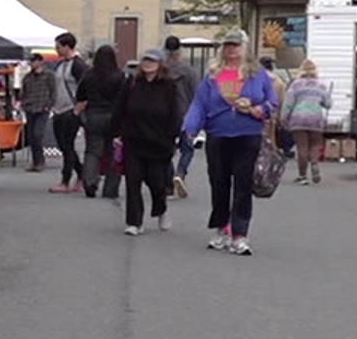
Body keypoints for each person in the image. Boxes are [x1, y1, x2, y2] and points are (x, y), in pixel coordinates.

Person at [183, 32, 276, 256]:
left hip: (247, 133)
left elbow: (272, 103)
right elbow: (199, 104)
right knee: (219, 182)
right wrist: (190, 128)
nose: (231, 50)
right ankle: (221, 228)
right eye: (228, 46)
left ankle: (240, 234)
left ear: (244, 48)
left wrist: (257, 110)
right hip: (218, 133)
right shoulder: (212, 77)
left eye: (236, 46)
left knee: (243, 185)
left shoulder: (258, 75)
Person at [115, 49, 185, 235]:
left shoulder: (169, 86)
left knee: (156, 183)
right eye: (145, 60)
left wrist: (172, 139)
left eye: (152, 61)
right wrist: (116, 134)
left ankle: (161, 209)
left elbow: (175, 114)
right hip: (134, 141)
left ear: (161, 64)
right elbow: (120, 109)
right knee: (133, 182)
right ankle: (134, 222)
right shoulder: (132, 83)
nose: (148, 64)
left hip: (158, 143)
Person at [75, 44, 126, 201]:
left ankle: (89, 182)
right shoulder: (119, 75)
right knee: (113, 152)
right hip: (113, 115)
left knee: (92, 151)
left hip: (93, 114)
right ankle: (110, 188)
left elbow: (80, 95)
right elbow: (124, 98)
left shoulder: (89, 75)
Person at [280, 58, 334, 185]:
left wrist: (283, 117)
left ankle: (302, 176)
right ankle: (314, 163)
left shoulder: (296, 85)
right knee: (315, 144)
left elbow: (288, 103)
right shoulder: (321, 85)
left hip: (298, 118)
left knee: (301, 147)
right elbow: (328, 104)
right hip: (315, 118)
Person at [48, 32, 89, 193]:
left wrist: (80, 107)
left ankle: (65, 180)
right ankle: (81, 174)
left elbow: (86, 87)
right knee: (63, 145)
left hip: (72, 110)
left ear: (67, 46)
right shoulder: (60, 65)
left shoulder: (79, 65)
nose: (56, 50)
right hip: (59, 109)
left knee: (67, 144)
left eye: (58, 46)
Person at [161, 36, 200, 197]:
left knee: (165, 151)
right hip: (186, 114)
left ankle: (168, 184)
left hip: (165, 115)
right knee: (187, 149)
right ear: (179, 51)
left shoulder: (161, 71)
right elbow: (197, 96)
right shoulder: (190, 72)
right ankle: (180, 173)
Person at [19, 52, 56, 172]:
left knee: (37, 134)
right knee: (31, 136)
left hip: (42, 108)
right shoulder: (27, 77)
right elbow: (23, 92)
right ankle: (35, 162)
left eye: (33, 61)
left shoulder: (49, 76)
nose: (31, 64)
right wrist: (23, 103)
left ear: (40, 62)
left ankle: (40, 161)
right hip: (30, 109)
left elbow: (53, 91)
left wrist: (49, 105)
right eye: (30, 61)